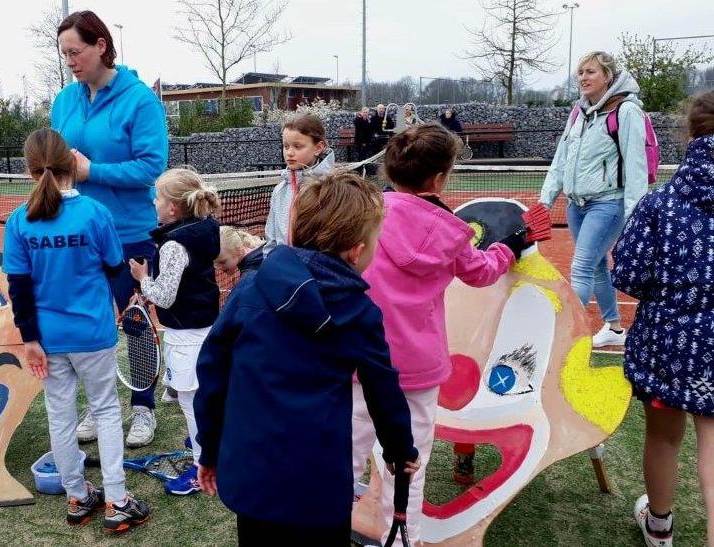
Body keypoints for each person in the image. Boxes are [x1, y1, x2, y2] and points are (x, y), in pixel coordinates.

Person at [194, 172, 418, 546]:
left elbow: (212, 374)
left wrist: (210, 448)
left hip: (254, 475)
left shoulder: (250, 287)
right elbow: (384, 389)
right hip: (317, 482)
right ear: (356, 251)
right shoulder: (360, 312)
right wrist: (399, 448)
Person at [356, 124, 527, 545]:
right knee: (409, 463)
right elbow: (483, 272)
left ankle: (318, 523)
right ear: (439, 178)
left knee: (344, 450)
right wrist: (510, 247)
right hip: (417, 365)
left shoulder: (364, 214)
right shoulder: (453, 233)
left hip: (361, 357)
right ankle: (402, 539)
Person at [2, 127, 151, 533]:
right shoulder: (94, 213)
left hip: (49, 339)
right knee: (104, 411)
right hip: (93, 333)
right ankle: (117, 500)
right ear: (71, 163)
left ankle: (78, 495)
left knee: (61, 415)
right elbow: (114, 266)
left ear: (31, 170)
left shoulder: (19, 221)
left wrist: (31, 340)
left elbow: (19, 288)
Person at [50, 10, 169, 448]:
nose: (70, 61)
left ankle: (143, 408)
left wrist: (91, 171)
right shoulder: (64, 100)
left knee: (135, 321)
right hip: (75, 231)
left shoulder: (140, 99)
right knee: (88, 324)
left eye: (75, 51)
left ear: (101, 45)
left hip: (129, 232)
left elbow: (151, 167)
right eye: (64, 54)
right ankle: (100, 406)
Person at [611, 90, 714, 547]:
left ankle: (659, 527)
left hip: (667, 347)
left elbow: (629, 276)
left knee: (664, 438)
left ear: (692, 132)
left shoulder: (659, 204)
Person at [539, 51, 648, 348]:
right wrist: (545, 201)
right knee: (597, 264)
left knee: (582, 266)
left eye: (590, 72)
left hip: (608, 204)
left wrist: (634, 219)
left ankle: (564, 336)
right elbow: (561, 159)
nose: (583, 78)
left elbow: (636, 166)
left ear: (608, 76)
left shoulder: (626, 111)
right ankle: (613, 327)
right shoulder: (578, 112)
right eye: (580, 73)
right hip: (577, 205)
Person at [128, 168, 221, 496]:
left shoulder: (174, 244)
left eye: (159, 197)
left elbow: (164, 295)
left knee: (190, 400)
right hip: (206, 325)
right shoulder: (207, 227)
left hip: (186, 332)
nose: (155, 201)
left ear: (172, 209)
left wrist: (142, 277)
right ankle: (209, 442)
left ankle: (201, 465)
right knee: (206, 392)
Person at [264, 114, 336, 254]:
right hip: (283, 270)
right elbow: (271, 239)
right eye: (286, 146)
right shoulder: (279, 190)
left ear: (318, 147)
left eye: (297, 146)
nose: (289, 153)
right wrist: (271, 265)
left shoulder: (332, 189)